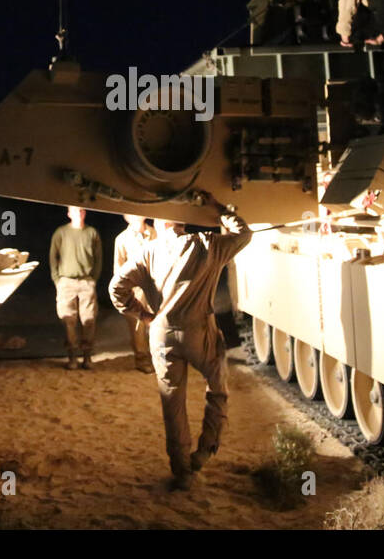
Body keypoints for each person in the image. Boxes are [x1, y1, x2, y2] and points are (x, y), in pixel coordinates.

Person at [109, 207, 252, 490]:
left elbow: (116, 289)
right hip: (199, 332)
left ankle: (182, 470)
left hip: (162, 334)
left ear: (159, 222)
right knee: (218, 388)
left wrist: (145, 316)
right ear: (183, 219)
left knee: (172, 402)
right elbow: (243, 233)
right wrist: (221, 211)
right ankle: (205, 450)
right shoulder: (207, 244)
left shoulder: (147, 252)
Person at [49, 206, 102, 370]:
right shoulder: (61, 232)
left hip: (86, 281)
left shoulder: (92, 233)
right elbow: (53, 256)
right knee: (68, 320)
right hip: (66, 281)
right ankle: (72, 356)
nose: (78, 213)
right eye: (75, 211)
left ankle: (87, 357)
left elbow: (99, 257)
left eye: (81, 211)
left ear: (85, 213)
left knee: (89, 320)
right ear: (69, 213)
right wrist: (57, 279)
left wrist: (94, 278)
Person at [113, 214, 157, 374]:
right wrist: (124, 291)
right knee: (138, 326)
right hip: (136, 287)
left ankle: (160, 358)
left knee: (159, 323)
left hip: (156, 285)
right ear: (126, 217)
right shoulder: (122, 239)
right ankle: (142, 360)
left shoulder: (156, 233)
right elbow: (118, 266)